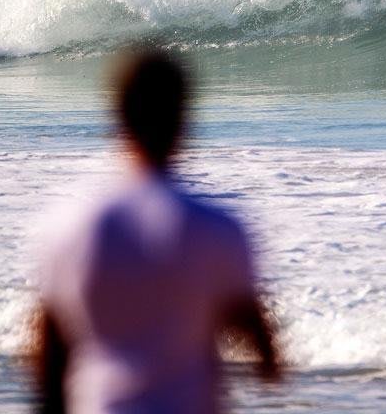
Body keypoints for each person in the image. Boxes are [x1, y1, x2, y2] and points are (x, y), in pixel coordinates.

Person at [34, 49, 279, 414]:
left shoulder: (67, 228)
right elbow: (267, 362)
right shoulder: (217, 229)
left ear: (118, 116)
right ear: (183, 118)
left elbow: (49, 359)